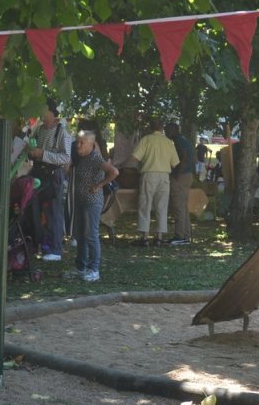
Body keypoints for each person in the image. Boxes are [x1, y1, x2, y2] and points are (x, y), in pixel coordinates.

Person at [70, 130, 119, 282]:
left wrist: (99, 185)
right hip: (80, 201)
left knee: (91, 235)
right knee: (80, 236)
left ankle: (94, 269)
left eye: (82, 142)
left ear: (91, 144)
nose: (78, 145)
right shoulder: (80, 158)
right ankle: (81, 267)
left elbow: (114, 172)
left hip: (92, 202)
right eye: (77, 141)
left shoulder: (95, 158)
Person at [27, 99, 71, 261]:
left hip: (53, 174)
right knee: (36, 210)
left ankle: (55, 249)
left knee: (53, 211)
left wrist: (43, 154)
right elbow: (30, 147)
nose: (42, 115)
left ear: (53, 114)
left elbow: (66, 157)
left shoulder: (62, 132)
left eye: (45, 111)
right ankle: (40, 245)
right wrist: (31, 152)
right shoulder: (37, 130)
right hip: (38, 172)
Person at [129, 118, 178, 246]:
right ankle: (159, 237)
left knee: (145, 205)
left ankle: (145, 237)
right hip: (164, 176)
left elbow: (135, 157)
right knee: (162, 206)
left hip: (148, 174)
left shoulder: (146, 140)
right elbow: (175, 163)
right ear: (162, 128)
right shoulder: (168, 142)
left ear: (150, 127)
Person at [165, 121, 194, 246]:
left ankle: (180, 235)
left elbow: (183, 157)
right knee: (183, 207)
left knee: (178, 206)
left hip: (181, 176)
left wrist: (176, 174)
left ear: (174, 130)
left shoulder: (178, 141)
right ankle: (186, 235)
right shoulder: (184, 139)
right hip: (188, 175)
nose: (166, 133)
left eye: (167, 130)